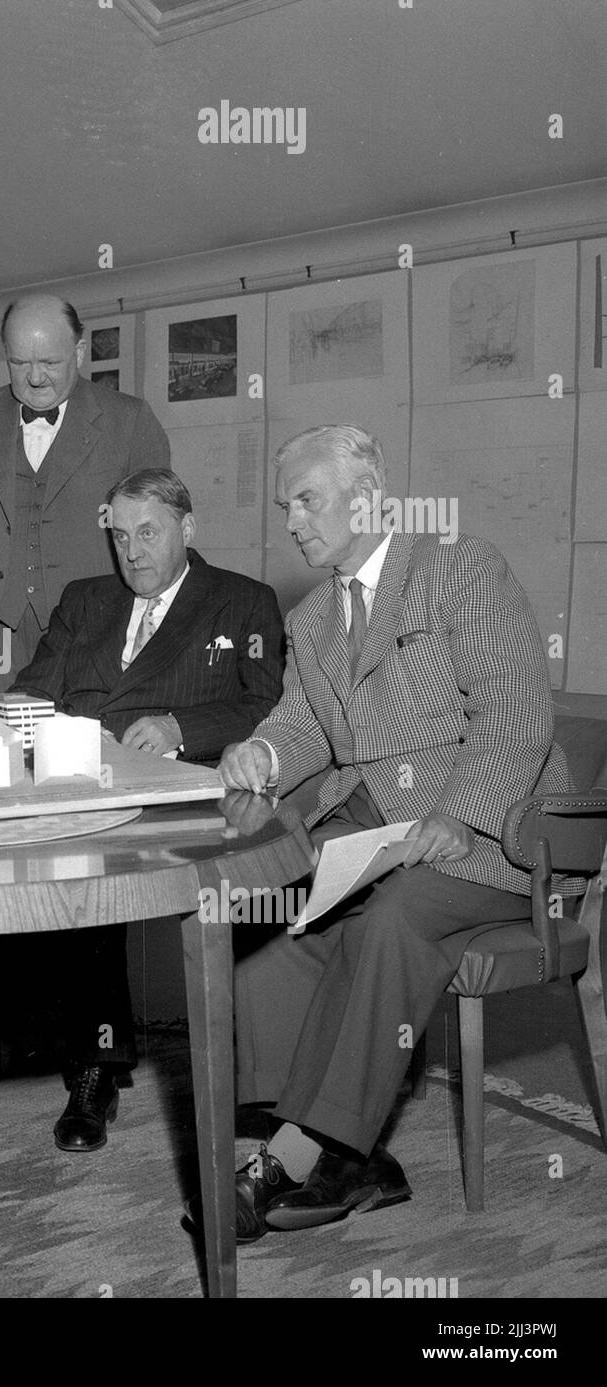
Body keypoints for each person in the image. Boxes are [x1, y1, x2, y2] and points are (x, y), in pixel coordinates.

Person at [210, 424, 574, 1241]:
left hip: (492, 828)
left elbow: (518, 713)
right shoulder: (310, 620)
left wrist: (461, 811)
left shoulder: (459, 569)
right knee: (273, 911)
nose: (294, 521)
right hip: (375, 823)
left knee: (393, 916)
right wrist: (261, 750)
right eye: (286, 506)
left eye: (308, 500)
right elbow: (301, 725)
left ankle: (304, 1152)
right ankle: (332, 1138)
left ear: (369, 498)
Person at [0, 468, 284, 1151]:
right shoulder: (84, 600)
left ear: (188, 528)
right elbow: (33, 693)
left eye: (148, 533)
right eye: (120, 536)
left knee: (98, 878)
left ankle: (106, 1065)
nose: (133, 552)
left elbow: (268, 705)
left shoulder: (242, 602)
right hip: (79, 785)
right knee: (42, 862)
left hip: (185, 794)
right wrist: (13, 733)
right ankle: (80, 1055)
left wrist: (181, 725)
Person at [0, 294, 170, 706]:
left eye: (49, 363)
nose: (34, 378)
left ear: (80, 353)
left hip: (92, 634)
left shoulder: (130, 419)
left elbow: (158, 538)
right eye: (18, 363)